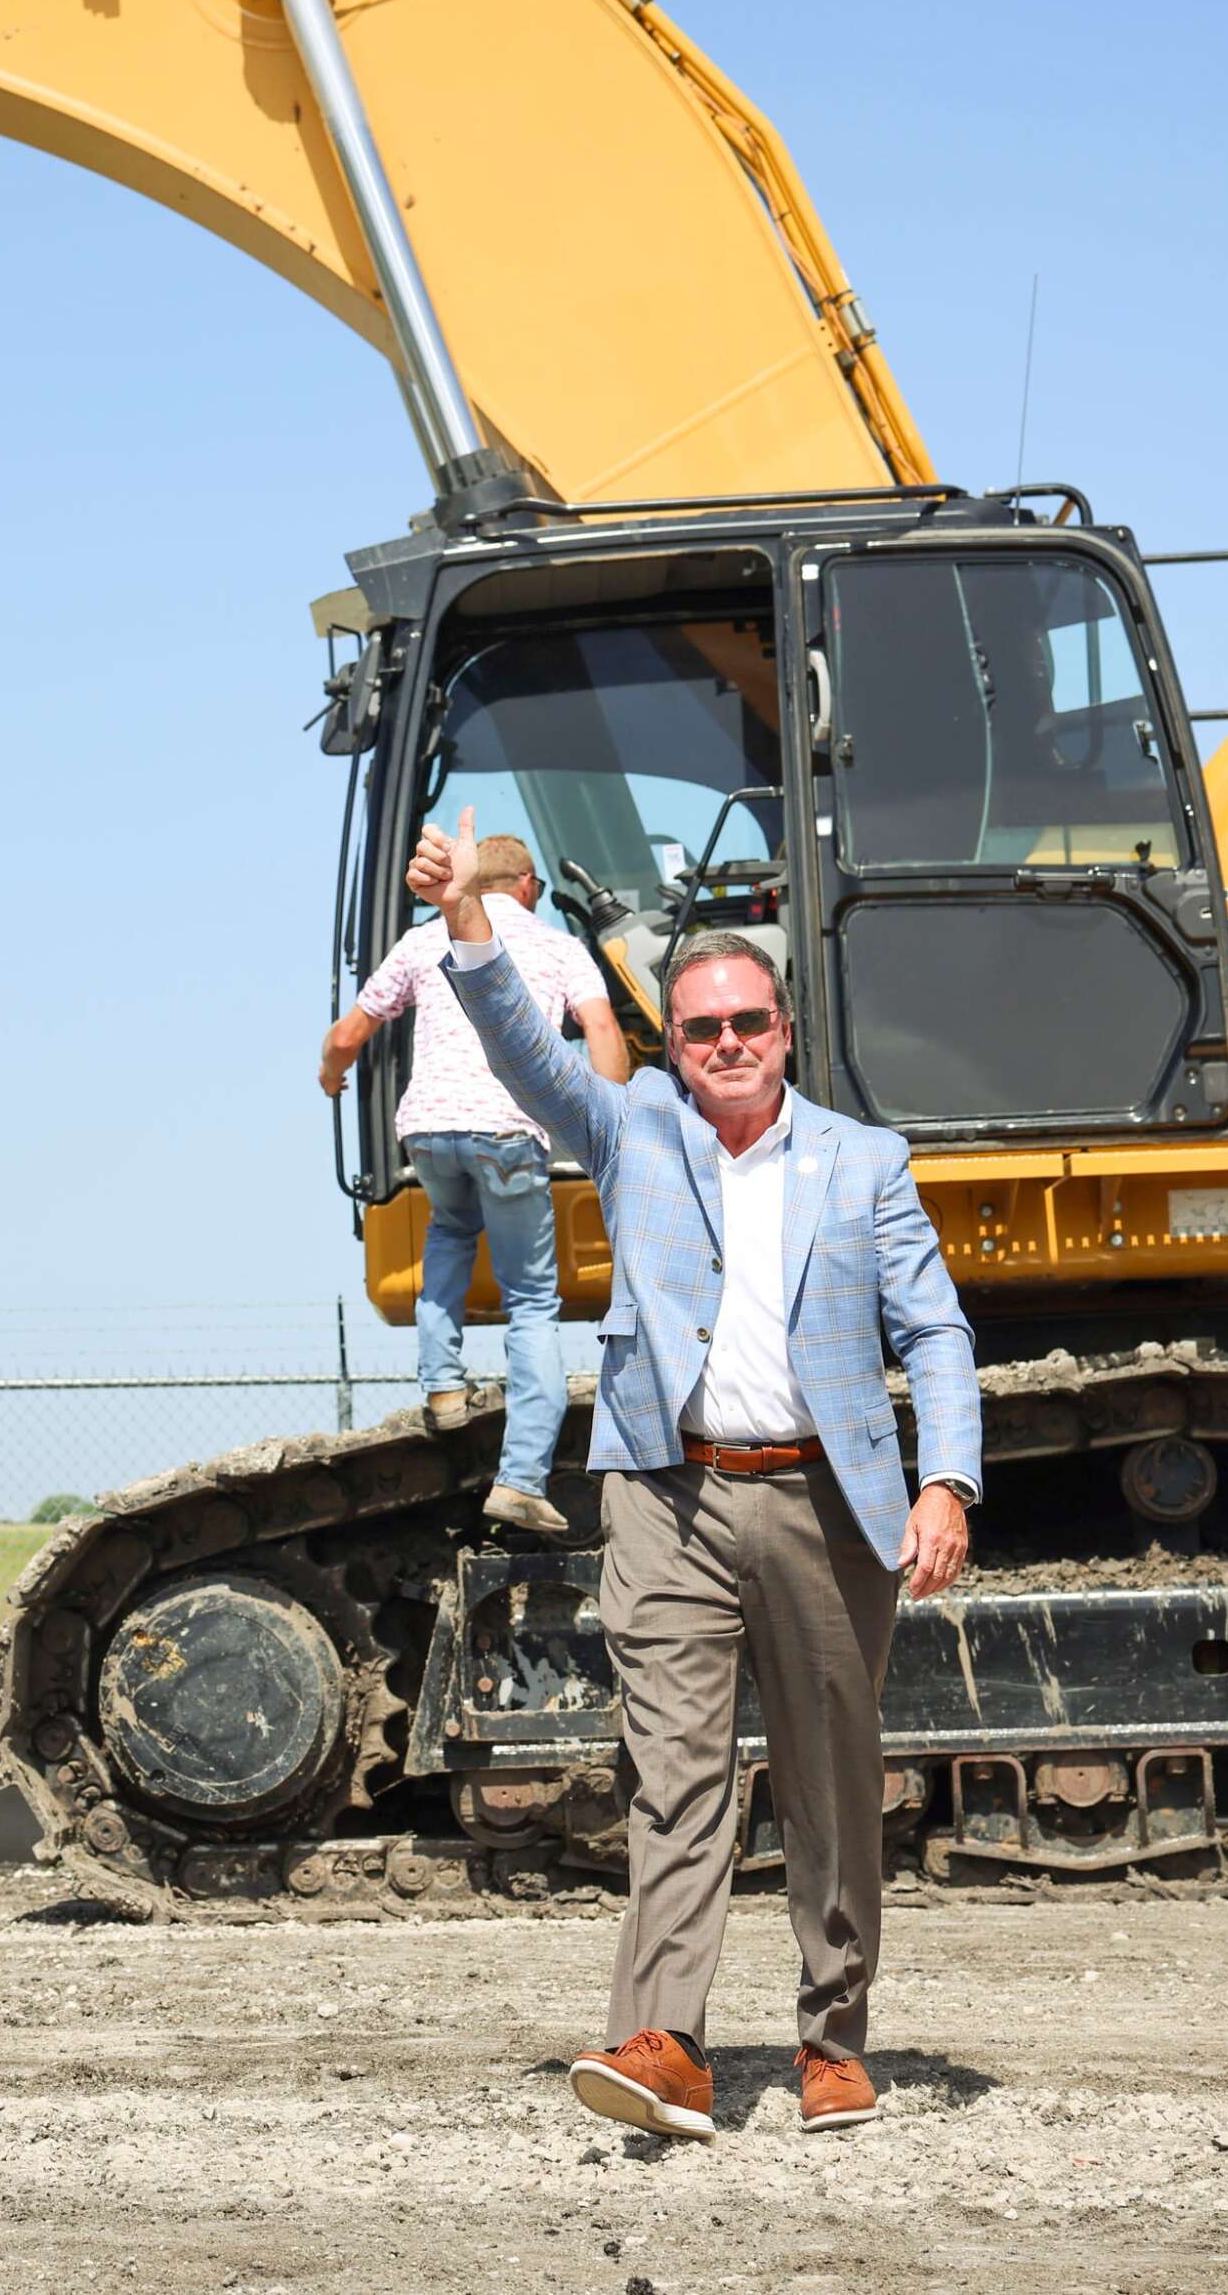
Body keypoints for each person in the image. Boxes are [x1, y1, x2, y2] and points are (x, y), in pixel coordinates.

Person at [409, 807, 977, 2146]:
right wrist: (469, 922)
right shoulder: (634, 1132)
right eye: (702, 1027)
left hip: (831, 1509)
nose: (726, 1044)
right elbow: (522, 1055)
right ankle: (663, 2046)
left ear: (784, 1032)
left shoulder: (865, 1164)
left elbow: (937, 1331)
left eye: (749, 1024)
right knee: (675, 1774)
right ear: (676, 1039)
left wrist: (944, 1482)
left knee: (834, 1781)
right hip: (670, 1500)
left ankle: (833, 2038)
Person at [321, 830, 629, 1534]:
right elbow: (601, 1025)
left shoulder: (421, 941)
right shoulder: (555, 946)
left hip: (428, 1131)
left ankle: (442, 1389)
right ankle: (521, 1479)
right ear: (526, 886)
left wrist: (330, 1075)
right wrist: (610, 1125)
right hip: (508, 1129)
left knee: (451, 1234)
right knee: (531, 1302)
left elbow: (349, 1034)